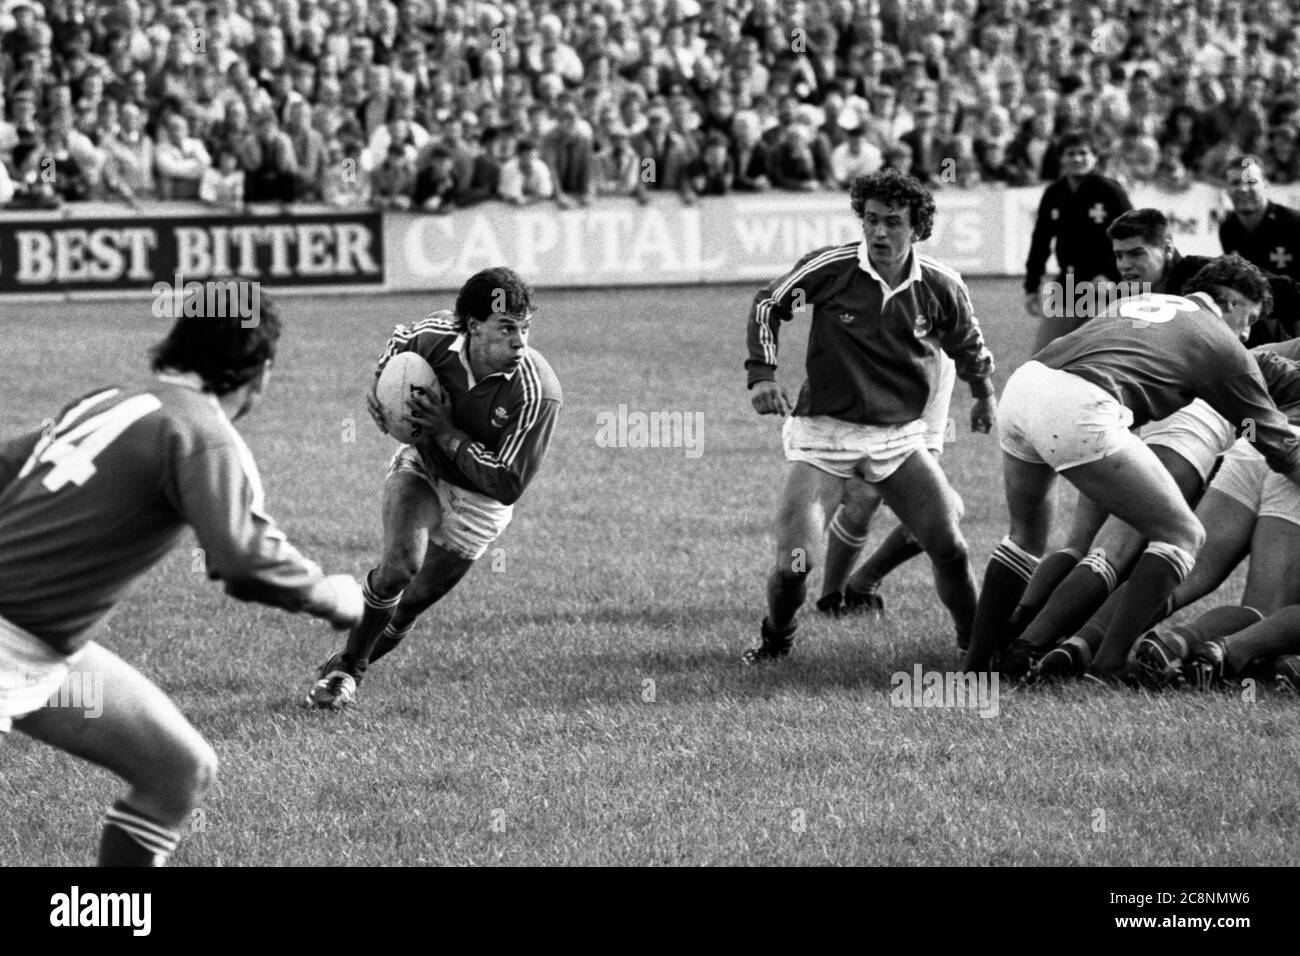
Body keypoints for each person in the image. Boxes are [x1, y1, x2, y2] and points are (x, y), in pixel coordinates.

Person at [0, 302, 363, 866]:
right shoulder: (202, 432)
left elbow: (5, 463)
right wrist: (331, 595)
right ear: (260, 370)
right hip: (12, 644)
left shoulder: (108, 401)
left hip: (43, 656)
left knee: (177, 770)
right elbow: (243, 561)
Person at [967, 255, 1300, 681]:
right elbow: (1281, 447)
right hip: (1086, 405)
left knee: (1026, 536)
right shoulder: (1222, 342)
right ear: (1234, 303)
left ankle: (977, 666)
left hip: (1027, 386)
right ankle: (1109, 661)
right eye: (1250, 318)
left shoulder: (1143, 304)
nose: (1248, 331)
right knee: (1182, 535)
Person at [742, 169, 996, 663]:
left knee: (951, 548)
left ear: (917, 228)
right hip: (822, 436)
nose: (880, 232)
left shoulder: (941, 285)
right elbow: (769, 303)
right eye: (872, 221)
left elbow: (968, 343)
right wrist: (762, 375)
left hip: (898, 439)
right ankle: (777, 637)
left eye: (893, 223)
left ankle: (978, 650)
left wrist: (983, 394)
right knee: (796, 565)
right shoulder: (833, 268)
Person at [308, 267, 563, 709]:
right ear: (471, 326)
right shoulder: (435, 335)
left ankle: (347, 659)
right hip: (424, 467)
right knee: (398, 570)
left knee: (411, 604)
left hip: (482, 503)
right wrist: (381, 389)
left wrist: (446, 430)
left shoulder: (537, 393)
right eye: (507, 328)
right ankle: (347, 674)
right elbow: (398, 343)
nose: (520, 342)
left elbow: (507, 483)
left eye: (525, 328)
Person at [1023, 131, 1132, 351]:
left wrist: (1112, 275)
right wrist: (1032, 286)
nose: (1077, 159)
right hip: (1067, 284)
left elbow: (1132, 236)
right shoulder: (1054, 193)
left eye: (1083, 153)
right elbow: (1040, 242)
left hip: (1104, 285)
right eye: (1070, 154)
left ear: (1094, 157)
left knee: (1099, 357)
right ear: (1061, 158)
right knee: (1042, 358)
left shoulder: (1110, 191)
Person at [1219, 155, 1300, 292]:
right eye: (1235, 183)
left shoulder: (1294, 223)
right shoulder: (1228, 229)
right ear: (1226, 189)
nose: (1243, 189)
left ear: (1266, 184)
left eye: (1251, 182)